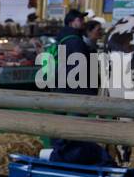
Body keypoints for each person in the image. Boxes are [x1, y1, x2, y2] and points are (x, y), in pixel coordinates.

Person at [47, 9, 113, 165]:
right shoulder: (75, 41)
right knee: (77, 118)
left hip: (60, 83)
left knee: (59, 116)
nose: (82, 22)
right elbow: (82, 64)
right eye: (80, 20)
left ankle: (58, 147)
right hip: (75, 86)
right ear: (72, 22)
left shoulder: (63, 37)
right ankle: (68, 151)